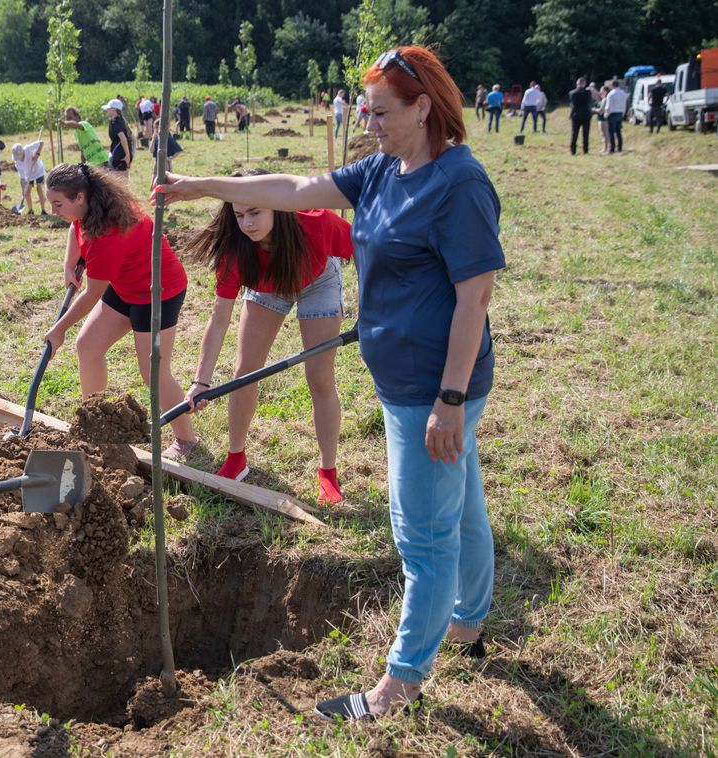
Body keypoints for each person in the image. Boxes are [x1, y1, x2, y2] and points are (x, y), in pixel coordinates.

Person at [156, 45, 504, 721]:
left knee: (422, 535)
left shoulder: (458, 184)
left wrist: (449, 401)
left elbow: (475, 296)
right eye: (365, 112)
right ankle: (466, 623)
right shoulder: (381, 170)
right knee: (459, 503)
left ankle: (396, 687)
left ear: (423, 108)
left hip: (431, 387)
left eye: (379, 113)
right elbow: (291, 190)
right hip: (404, 379)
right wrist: (207, 186)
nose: (366, 124)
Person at [182, 168, 353, 503]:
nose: (247, 224)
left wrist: (379, 305)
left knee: (319, 378)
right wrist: (201, 381)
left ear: (277, 204)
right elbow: (219, 319)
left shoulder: (317, 223)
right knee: (244, 373)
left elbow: (367, 248)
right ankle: (236, 459)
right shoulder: (236, 253)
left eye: (256, 212)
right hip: (267, 288)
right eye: (240, 215)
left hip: (317, 279)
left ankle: (328, 472)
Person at [41, 163, 198, 459]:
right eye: (51, 203)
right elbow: (76, 228)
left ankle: (186, 439)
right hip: (127, 284)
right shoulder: (91, 208)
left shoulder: (107, 236)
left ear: (80, 197)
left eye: (58, 204)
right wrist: (68, 263)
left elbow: (92, 294)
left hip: (158, 292)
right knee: (88, 346)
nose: (54, 210)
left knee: (153, 372)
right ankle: (95, 424)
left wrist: (59, 328)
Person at [11, 140, 48, 215]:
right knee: (27, 191)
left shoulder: (28, 148)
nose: (18, 158)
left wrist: (37, 154)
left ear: (22, 152)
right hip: (29, 174)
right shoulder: (17, 162)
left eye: (19, 156)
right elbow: (22, 178)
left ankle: (43, 210)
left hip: (38, 170)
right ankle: (31, 210)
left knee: (39, 188)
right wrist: (23, 190)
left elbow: (41, 142)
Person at [103, 99, 134, 178]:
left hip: (119, 156)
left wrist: (127, 156)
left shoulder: (114, 122)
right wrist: (130, 155)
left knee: (120, 185)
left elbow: (123, 138)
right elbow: (133, 139)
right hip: (123, 156)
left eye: (108, 108)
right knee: (124, 183)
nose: (107, 110)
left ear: (114, 110)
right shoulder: (123, 121)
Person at [568, 77, 594, 155]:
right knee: (585, 134)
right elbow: (590, 100)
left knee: (574, 133)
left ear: (577, 84)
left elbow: (573, 105)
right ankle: (585, 150)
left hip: (576, 114)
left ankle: (573, 150)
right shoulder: (587, 92)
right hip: (586, 114)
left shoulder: (572, 93)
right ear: (584, 84)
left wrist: (570, 114)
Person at [604, 80, 627, 153]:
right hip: (620, 113)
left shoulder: (611, 94)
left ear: (612, 85)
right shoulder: (623, 93)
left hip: (612, 114)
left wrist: (606, 114)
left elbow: (608, 106)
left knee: (611, 132)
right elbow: (624, 104)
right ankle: (619, 147)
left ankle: (612, 149)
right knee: (618, 132)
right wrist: (623, 113)